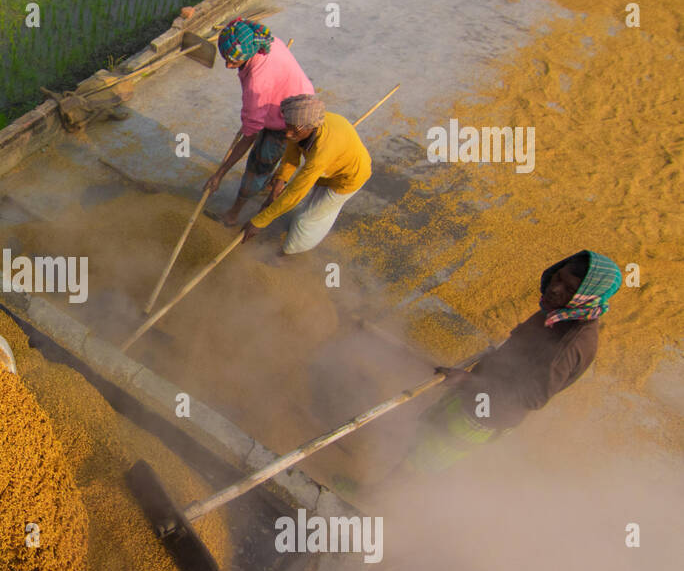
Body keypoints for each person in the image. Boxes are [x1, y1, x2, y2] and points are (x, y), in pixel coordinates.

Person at [401, 251, 622, 474]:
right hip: (475, 389)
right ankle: (404, 454)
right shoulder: (559, 311)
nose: (556, 289)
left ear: (587, 297)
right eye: (558, 278)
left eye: (570, 289)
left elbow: (531, 397)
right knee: (427, 428)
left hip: (486, 412)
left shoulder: (568, 345)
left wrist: (468, 381)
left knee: (429, 455)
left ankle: (385, 490)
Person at [201, 18, 314, 227]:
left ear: (249, 54)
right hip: (290, 94)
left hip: (288, 119)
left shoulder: (257, 83)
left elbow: (248, 138)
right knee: (264, 146)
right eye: (226, 58)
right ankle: (267, 181)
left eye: (233, 61)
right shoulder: (262, 40)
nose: (228, 65)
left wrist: (220, 173)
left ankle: (233, 214)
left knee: (259, 164)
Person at [240, 94, 370, 255]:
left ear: (311, 127)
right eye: (287, 127)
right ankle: (288, 218)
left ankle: (287, 253)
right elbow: (290, 159)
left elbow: (297, 190)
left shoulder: (323, 150)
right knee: (303, 205)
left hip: (348, 177)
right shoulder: (300, 128)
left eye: (294, 130)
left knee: (307, 220)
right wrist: (274, 192)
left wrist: (260, 221)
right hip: (327, 172)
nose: (288, 134)